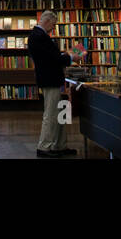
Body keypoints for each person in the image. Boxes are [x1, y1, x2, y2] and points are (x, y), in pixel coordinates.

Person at [28, 10, 83, 158]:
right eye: (53, 25)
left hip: (52, 79)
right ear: (46, 21)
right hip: (50, 80)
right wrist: (72, 57)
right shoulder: (39, 37)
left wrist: (68, 56)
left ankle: (59, 145)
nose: (53, 28)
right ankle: (44, 147)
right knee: (51, 114)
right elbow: (54, 59)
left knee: (59, 113)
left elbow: (53, 57)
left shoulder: (40, 36)